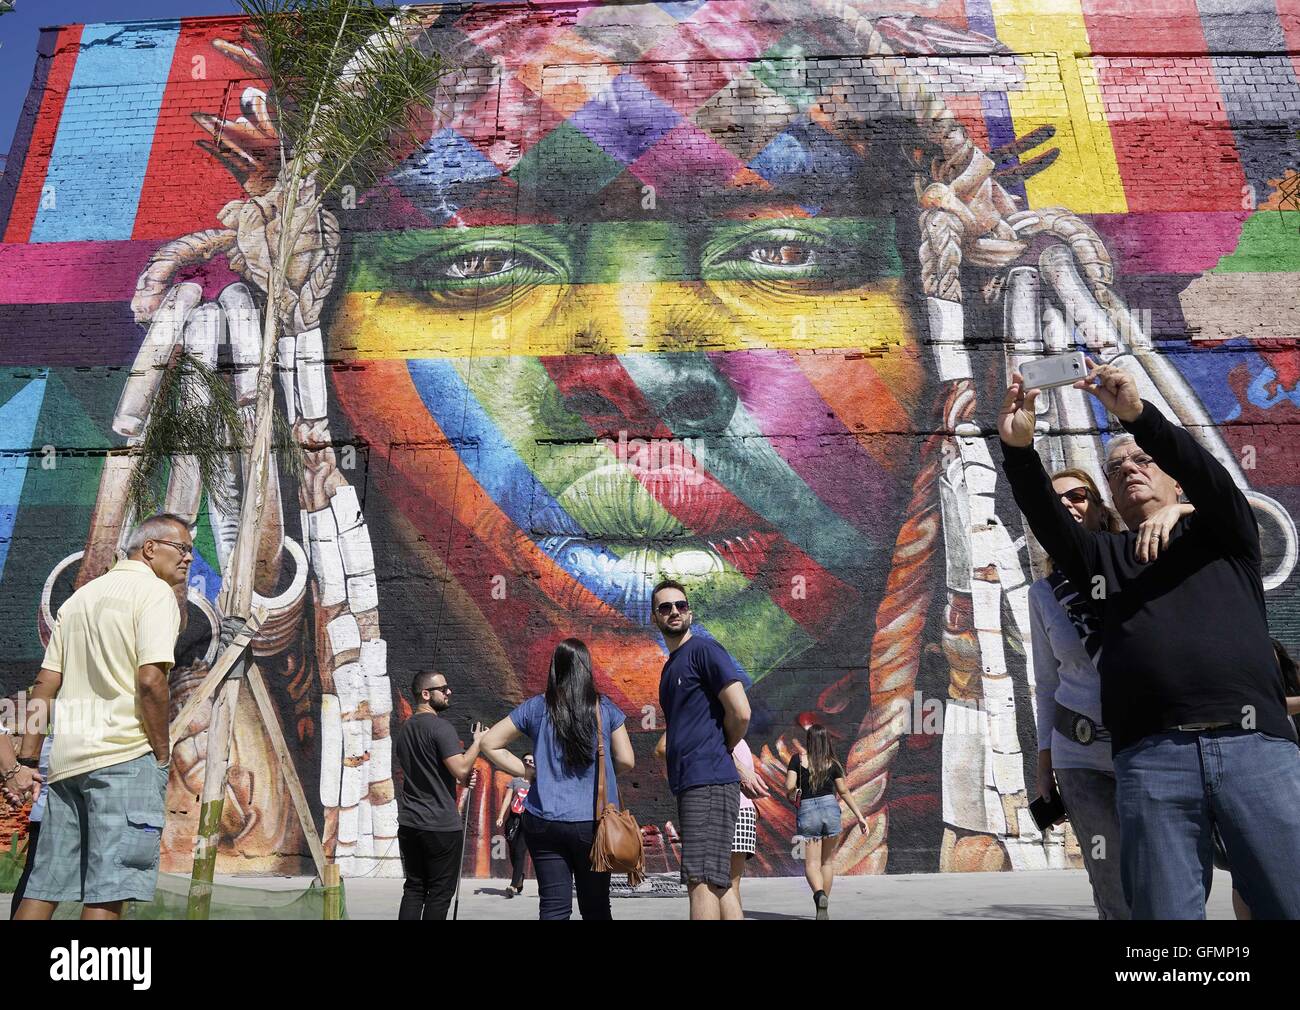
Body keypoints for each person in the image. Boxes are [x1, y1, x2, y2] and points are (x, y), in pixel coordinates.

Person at [999, 359, 1300, 919]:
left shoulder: (1223, 533)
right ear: (1110, 494)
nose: (1131, 469)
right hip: (1152, 759)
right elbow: (1047, 515)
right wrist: (1019, 451)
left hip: (1254, 748)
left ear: (1173, 476)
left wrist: (1139, 418)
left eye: (1144, 460)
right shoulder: (1102, 558)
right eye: (1116, 470)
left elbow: (1211, 480)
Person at [1030, 467, 1189, 920]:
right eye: (1057, 503)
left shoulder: (1142, 563)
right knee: (1112, 884)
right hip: (1079, 756)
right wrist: (1044, 768)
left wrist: (1176, 507)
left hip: (1148, 745)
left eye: (1078, 496)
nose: (1069, 507)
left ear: (1100, 507)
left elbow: (1226, 519)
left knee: (1165, 875)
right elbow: (1046, 684)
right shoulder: (1044, 594)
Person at [13, 514, 188, 921]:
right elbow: (150, 681)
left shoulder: (79, 601)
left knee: (44, 887)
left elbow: (44, 686)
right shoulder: (155, 596)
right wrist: (161, 750)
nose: (188, 560)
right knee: (109, 892)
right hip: (124, 758)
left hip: (66, 765)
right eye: (182, 549)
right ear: (150, 548)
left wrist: (27, 760)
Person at [479, 639, 633, 920]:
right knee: (596, 907)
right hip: (592, 823)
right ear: (587, 668)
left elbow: (489, 743)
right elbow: (626, 759)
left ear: (555, 669)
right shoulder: (604, 708)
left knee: (553, 907)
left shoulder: (537, 707)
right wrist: (601, 774)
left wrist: (528, 773)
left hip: (544, 821)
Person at [653, 579, 769, 920]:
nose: (674, 611)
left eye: (681, 605)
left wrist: (721, 749)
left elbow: (741, 711)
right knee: (716, 882)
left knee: (701, 880)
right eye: (665, 607)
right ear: (654, 617)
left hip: (709, 781)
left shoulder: (704, 650)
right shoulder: (671, 666)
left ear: (690, 611)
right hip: (694, 782)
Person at [394, 670, 485, 921]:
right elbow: (461, 767)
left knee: (414, 889)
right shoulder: (440, 727)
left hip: (410, 823)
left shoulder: (405, 730)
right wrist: (478, 742)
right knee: (439, 894)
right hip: (440, 827)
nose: (448, 692)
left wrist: (459, 780)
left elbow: (429, 772)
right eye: (442, 689)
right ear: (425, 694)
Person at [785, 724, 869, 920]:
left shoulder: (797, 760)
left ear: (809, 741)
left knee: (811, 865)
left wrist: (793, 792)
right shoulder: (833, 763)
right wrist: (860, 817)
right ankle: (823, 906)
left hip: (808, 810)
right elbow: (844, 792)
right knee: (827, 862)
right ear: (826, 741)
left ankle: (819, 895)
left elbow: (789, 786)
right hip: (830, 809)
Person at [494, 752, 535, 896]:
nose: (528, 763)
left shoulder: (537, 782)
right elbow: (507, 799)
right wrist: (500, 816)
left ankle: (512, 885)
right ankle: (519, 877)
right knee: (512, 850)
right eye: (526, 760)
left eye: (531, 760)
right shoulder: (515, 781)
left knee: (520, 851)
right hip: (513, 819)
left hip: (527, 821)